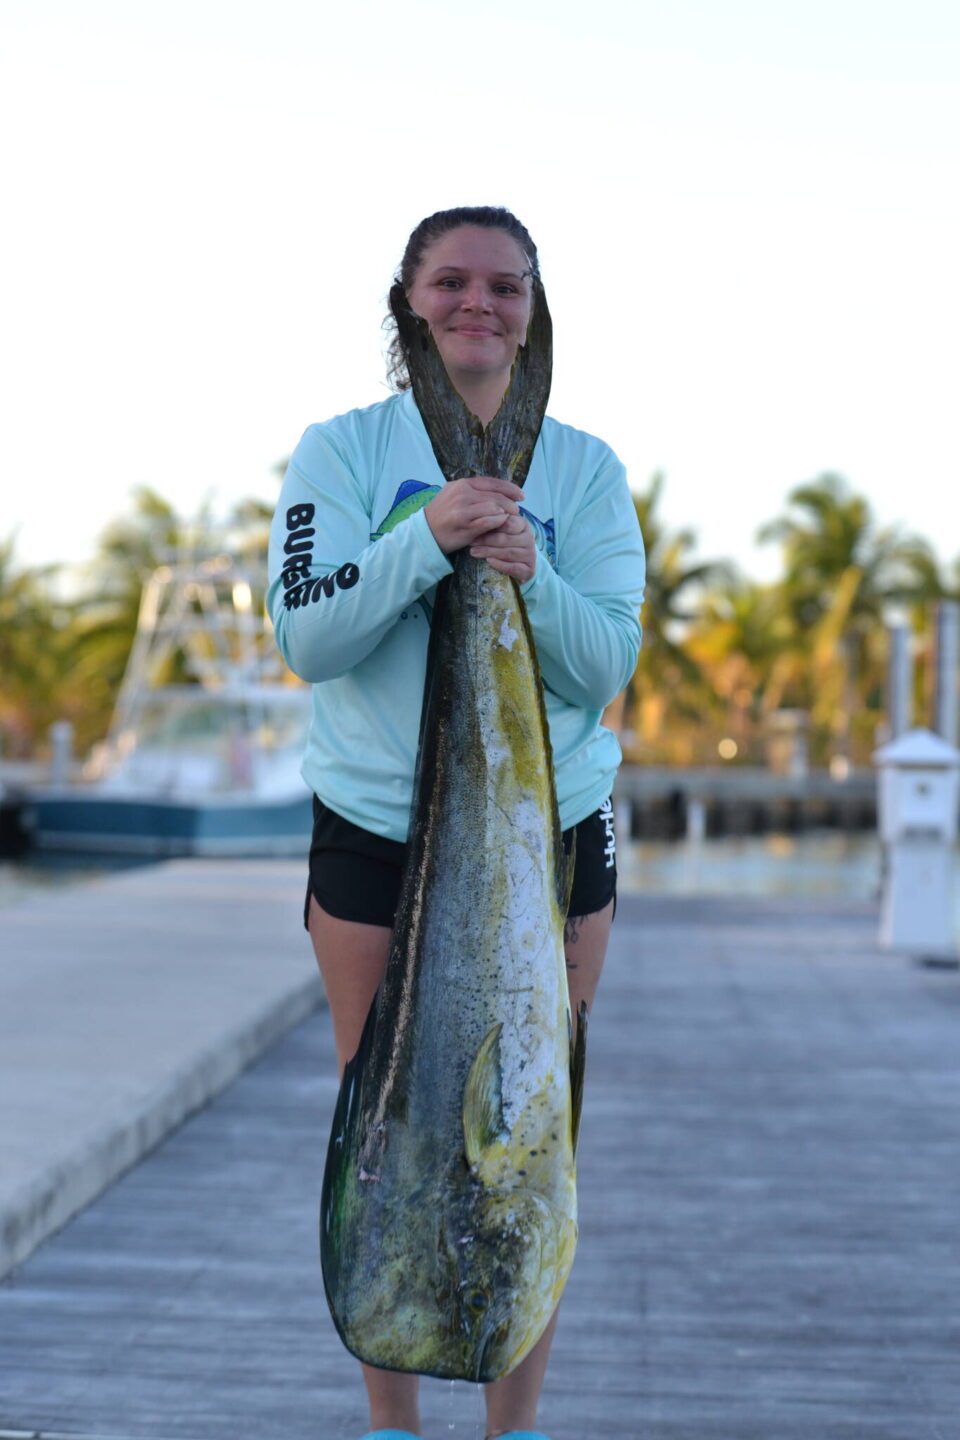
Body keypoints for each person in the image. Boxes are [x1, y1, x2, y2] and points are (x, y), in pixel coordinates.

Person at [267, 205, 645, 1440]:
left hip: (552, 838)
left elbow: (606, 672)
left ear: (536, 310)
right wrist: (431, 538)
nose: (477, 304)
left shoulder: (582, 470)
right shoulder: (342, 451)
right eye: (450, 282)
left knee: (540, 1124)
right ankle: (391, 1427)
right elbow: (310, 634)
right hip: (374, 831)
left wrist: (530, 571)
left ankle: (514, 1429)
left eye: (505, 286)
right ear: (407, 300)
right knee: (381, 1119)